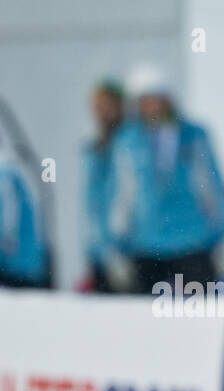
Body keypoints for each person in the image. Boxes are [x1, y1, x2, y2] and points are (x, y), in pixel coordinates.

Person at [106, 64, 224, 292]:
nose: (153, 106)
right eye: (146, 101)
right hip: (146, 246)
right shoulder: (128, 141)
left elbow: (211, 187)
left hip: (193, 243)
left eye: (157, 99)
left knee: (199, 318)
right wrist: (116, 245)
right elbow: (122, 195)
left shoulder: (193, 136)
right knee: (144, 322)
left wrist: (222, 238)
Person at [82, 79, 129, 292]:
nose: (104, 112)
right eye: (99, 106)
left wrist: (118, 249)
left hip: (128, 249)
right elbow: (93, 204)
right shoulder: (94, 146)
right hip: (99, 251)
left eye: (109, 105)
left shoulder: (131, 143)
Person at [0, 108, 51, 289]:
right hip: (29, 264)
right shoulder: (14, 169)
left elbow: (7, 223)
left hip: (14, 265)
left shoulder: (5, 172)